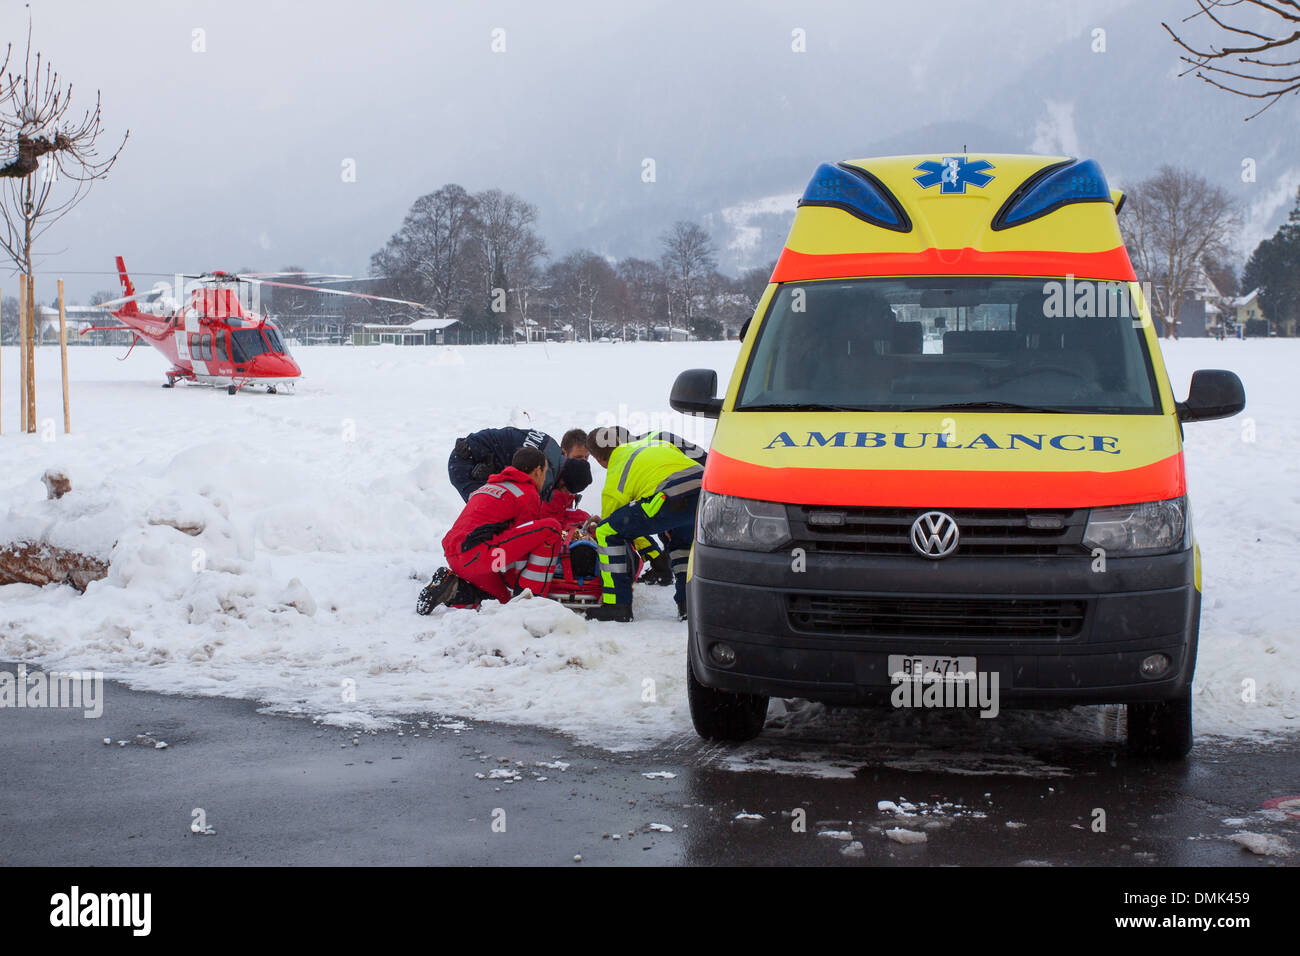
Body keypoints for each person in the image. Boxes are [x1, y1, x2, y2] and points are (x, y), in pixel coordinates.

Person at [417, 447, 563, 613]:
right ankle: (532, 598)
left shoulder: (491, 485)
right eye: (545, 473)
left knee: (501, 602)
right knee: (551, 528)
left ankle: (454, 590)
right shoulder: (527, 493)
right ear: (537, 471)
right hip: (480, 557)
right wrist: (517, 587)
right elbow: (524, 548)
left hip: (457, 557)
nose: (545, 479)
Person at [585, 426, 703, 622]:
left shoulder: (618, 466)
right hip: (705, 493)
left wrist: (600, 524)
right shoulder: (654, 443)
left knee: (607, 532)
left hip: (671, 498)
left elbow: (616, 524)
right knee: (681, 545)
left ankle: (617, 604)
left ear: (598, 459)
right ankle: (687, 606)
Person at [448, 426, 589, 503]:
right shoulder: (544, 474)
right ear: (563, 481)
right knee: (486, 510)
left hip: (474, 447)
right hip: (466, 463)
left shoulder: (552, 448)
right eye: (567, 490)